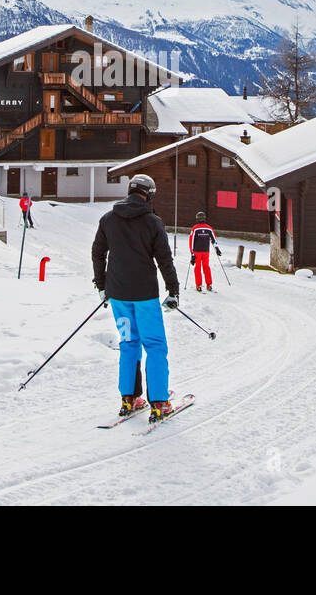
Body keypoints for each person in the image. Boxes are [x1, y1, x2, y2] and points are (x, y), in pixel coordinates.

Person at [92, 173, 180, 422]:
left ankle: (129, 399)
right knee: (154, 346)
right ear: (149, 194)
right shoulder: (153, 222)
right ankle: (160, 403)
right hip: (144, 296)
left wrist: (102, 285)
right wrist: (173, 291)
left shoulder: (108, 219)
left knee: (129, 343)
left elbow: (97, 253)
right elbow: (165, 259)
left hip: (118, 295)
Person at [189, 211, 220, 293]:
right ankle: (209, 284)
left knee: (198, 268)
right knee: (206, 267)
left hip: (197, 251)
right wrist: (217, 249)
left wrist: (192, 253)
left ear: (197, 219)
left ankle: (198, 285)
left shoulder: (195, 228)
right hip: (206, 251)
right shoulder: (209, 228)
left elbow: (191, 241)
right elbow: (214, 239)